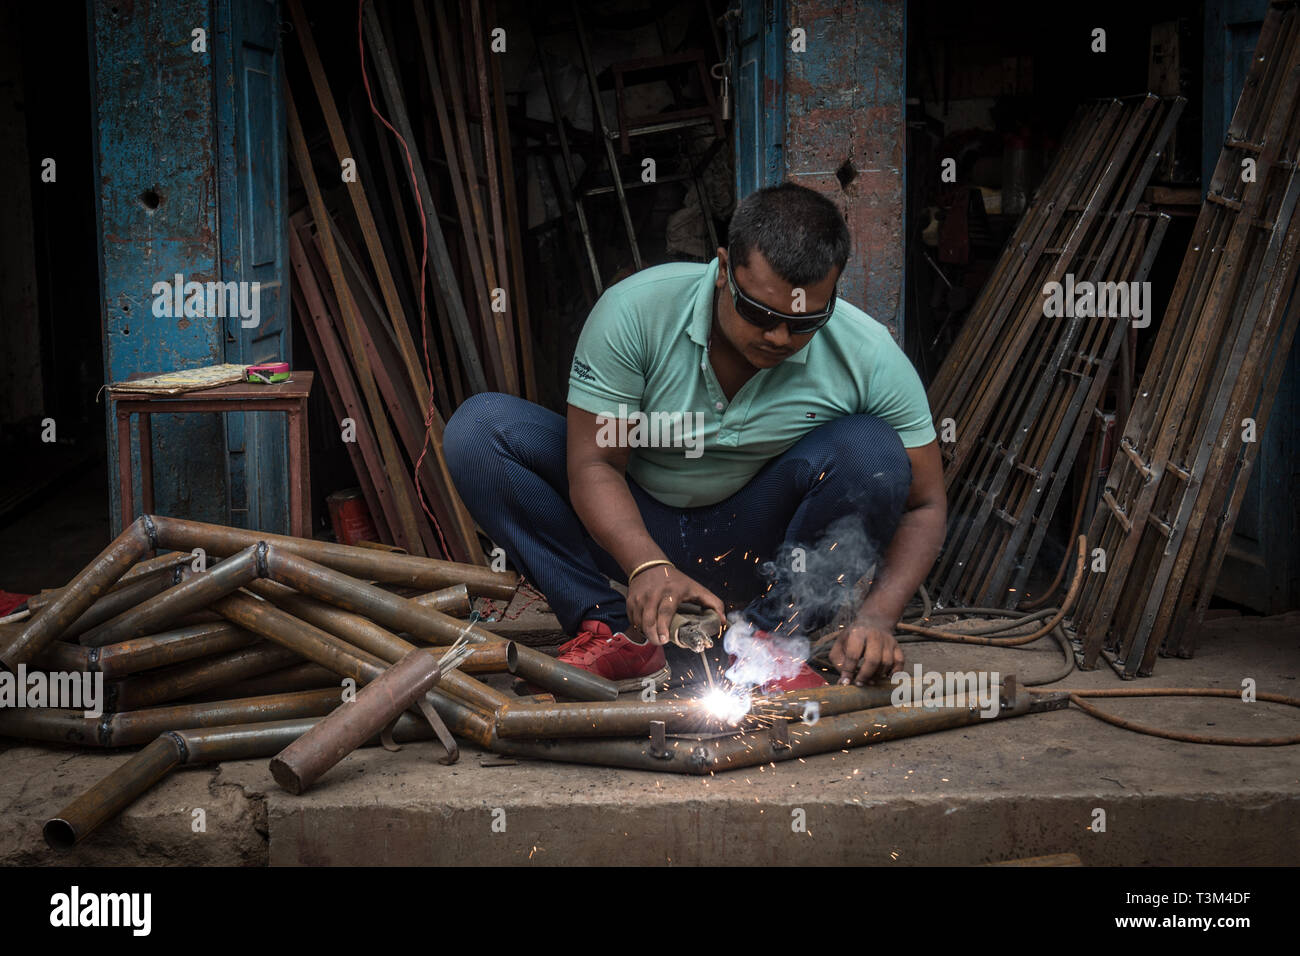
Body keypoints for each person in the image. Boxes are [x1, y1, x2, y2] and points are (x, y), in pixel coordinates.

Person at [444, 182, 946, 693]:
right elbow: (595, 465)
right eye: (760, 313)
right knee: (480, 431)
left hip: (757, 538)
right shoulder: (637, 313)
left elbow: (925, 504)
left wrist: (878, 619)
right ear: (725, 270)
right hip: (635, 520)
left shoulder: (868, 354)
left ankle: (769, 644)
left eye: (803, 323)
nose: (778, 338)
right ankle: (609, 629)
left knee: (872, 452)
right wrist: (646, 562)